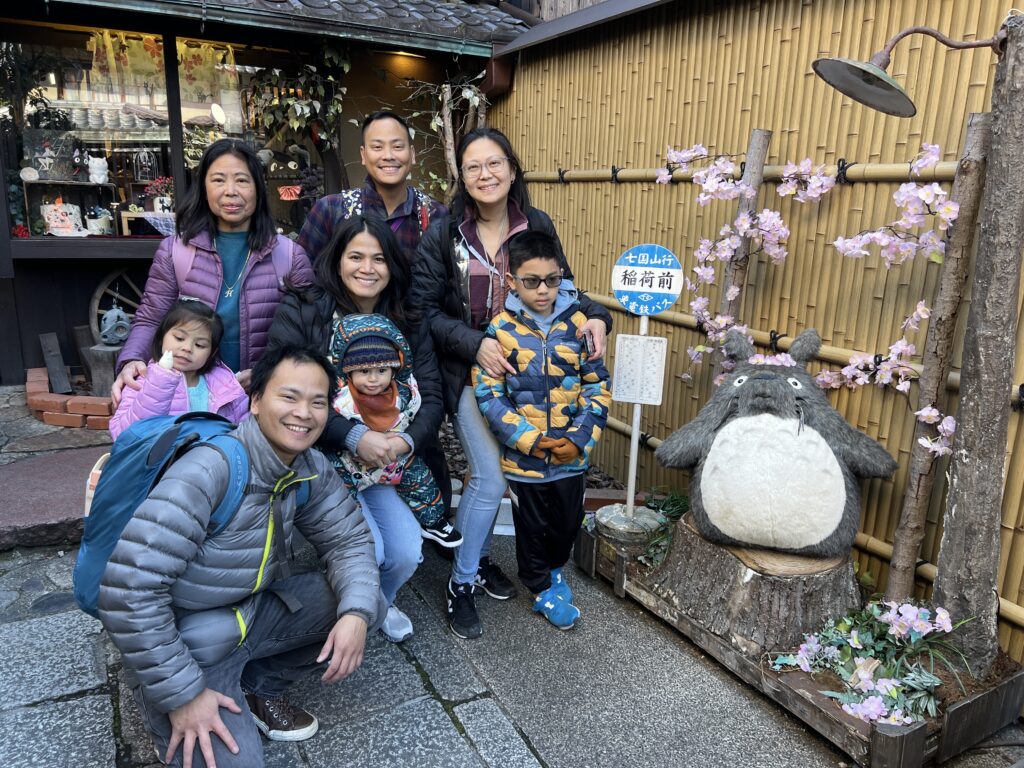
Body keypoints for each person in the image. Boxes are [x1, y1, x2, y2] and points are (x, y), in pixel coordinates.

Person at [97, 344, 386, 768]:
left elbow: (349, 542)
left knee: (367, 603)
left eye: (318, 401)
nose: (303, 413)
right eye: (288, 397)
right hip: (186, 644)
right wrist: (184, 695)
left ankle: (257, 685)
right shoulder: (209, 470)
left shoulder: (310, 467)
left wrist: (356, 614)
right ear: (254, 401)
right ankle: (160, 699)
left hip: (251, 613)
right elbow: (127, 591)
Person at [410, 126, 613, 639]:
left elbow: (562, 284)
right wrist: (475, 343)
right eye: (473, 166)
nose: (485, 174)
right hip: (472, 370)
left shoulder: (535, 223)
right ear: (463, 176)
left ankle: (491, 563)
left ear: (512, 168)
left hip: (534, 377)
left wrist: (597, 317)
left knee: (536, 476)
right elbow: (422, 311)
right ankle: (461, 580)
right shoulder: (444, 232)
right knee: (489, 478)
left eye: (494, 162)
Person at [268, 215, 445, 644]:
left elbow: (433, 393)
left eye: (379, 258)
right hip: (325, 460)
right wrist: (352, 436)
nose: (368, 268)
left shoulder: (408, 316)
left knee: (405, 552)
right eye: (356, 256)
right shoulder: (307, 309)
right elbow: (285, 391)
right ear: (337, 259)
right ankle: (356, 605)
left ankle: (378, 603)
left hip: (387, 462)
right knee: (372, 551)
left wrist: (405, 440)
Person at [297, 110, 453, 515]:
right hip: (342, 350)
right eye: (378, 146)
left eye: (397, 145)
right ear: (363, 155)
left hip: (413, 347)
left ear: (413, 154)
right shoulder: (332, 210)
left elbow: (449, 289)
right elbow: (303, 278)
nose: (388, 155)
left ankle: (425, 530)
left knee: (422, 448)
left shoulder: (435, 217)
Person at [473, 230, 611, 630]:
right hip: (525, 461)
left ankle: (554, 571)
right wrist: (529, 440)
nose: (543, 290)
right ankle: (539, 586)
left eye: (552, 280)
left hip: (571, 456)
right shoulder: (499, 330)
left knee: (567, 522)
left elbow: (597, 386)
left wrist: (578, 440)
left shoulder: (581, 324)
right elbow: (490, 396)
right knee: (531, 527)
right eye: (531, 281)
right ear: (512, 281)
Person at [112, 138, 313, 404]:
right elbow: (151, 319)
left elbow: (310, 333)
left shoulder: (289, 255)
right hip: (190, 398)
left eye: (242, 180)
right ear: (203, 188)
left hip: (262, 398)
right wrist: (131, 360)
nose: (231, 191)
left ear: (258, 189)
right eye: (218, 180)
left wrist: (270, 372)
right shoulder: (176, 251)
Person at [329, 327, 460, 547]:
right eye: (363, 372)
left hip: (393, 457)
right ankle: (350, 527)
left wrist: (406, 439)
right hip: (348, 461)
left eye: (381, 371)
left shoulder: (403, 391)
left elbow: (422, 407)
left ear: (394, 371)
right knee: (339, 491)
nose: (373, 379)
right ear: (348, 372)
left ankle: (433, 520)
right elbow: (328, 418)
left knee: (421, 477)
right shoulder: (341, 396)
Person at [109, 299, 249, 439]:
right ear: (161, 337)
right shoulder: (142, 381)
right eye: (179, 338)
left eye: (200, 345)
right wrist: (158, 384)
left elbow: (246, 431)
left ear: (212, 353)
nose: (187, 348)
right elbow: (121, 436)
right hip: (165, 460)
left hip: (215, 458)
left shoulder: (227, 384)